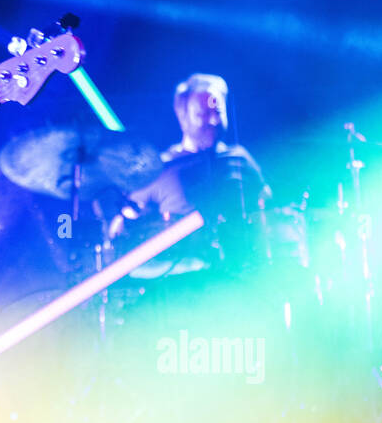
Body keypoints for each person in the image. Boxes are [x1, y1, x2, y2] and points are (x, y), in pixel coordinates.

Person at [109, 73, 270, 276]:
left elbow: (264, 212)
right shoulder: (160, 169)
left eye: (218, 112)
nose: (213, 120)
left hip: (240, 277)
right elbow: (122, 233)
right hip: (183, 287)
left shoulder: (240, 158)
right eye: (203, 114)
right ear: (183, 117)